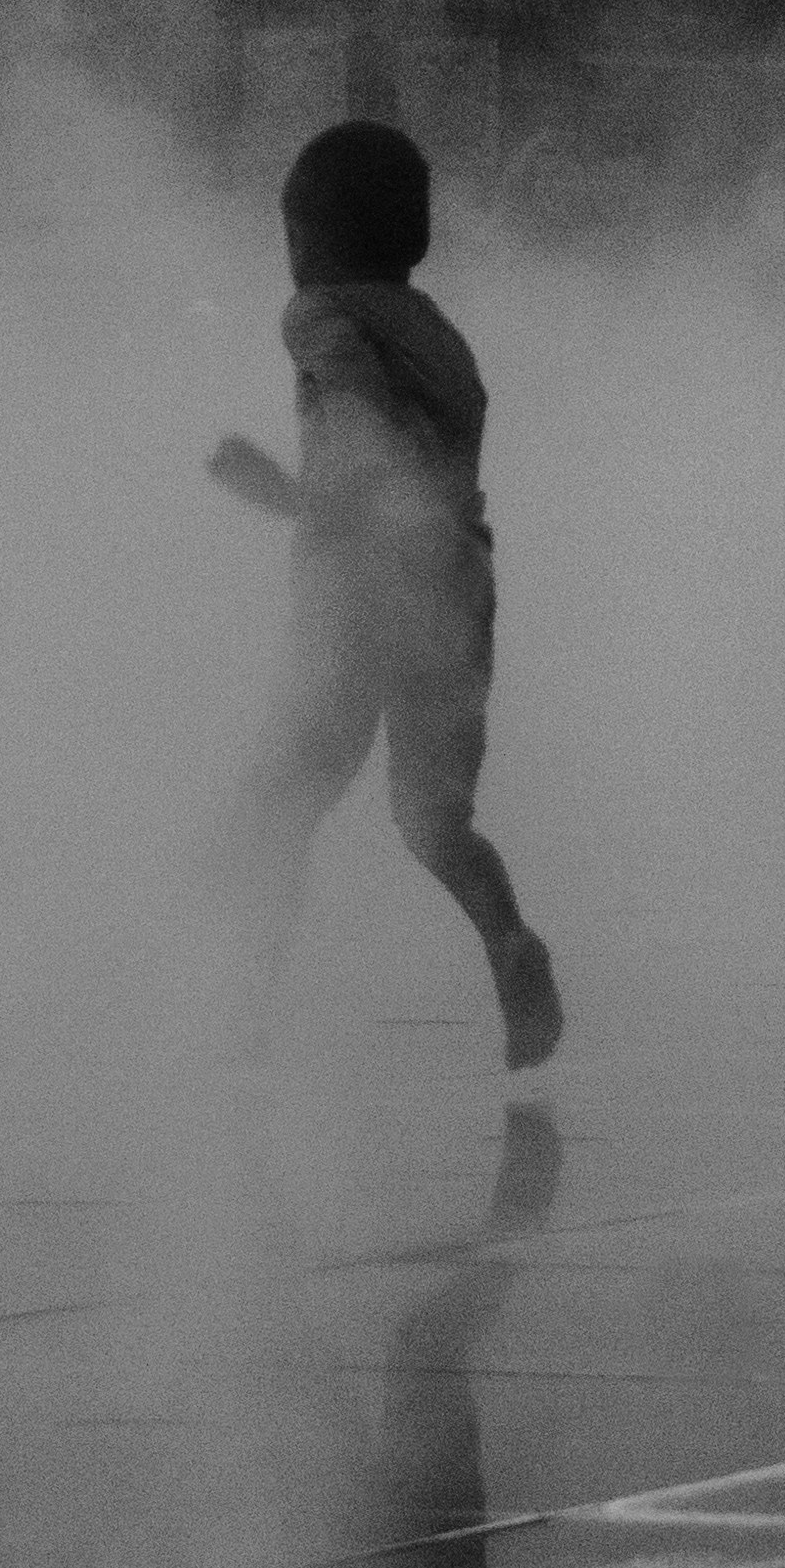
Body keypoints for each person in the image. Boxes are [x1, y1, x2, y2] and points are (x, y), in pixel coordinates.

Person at [208, 120, 562, 1070]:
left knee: (284, 799)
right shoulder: (445, 338)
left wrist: (273, 489)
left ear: (309, 240)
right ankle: (508, 939)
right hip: (458, 580)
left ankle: (238, 1017)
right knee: (432, 813)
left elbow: (370, 443)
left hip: (362, 585)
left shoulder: (317, 314)